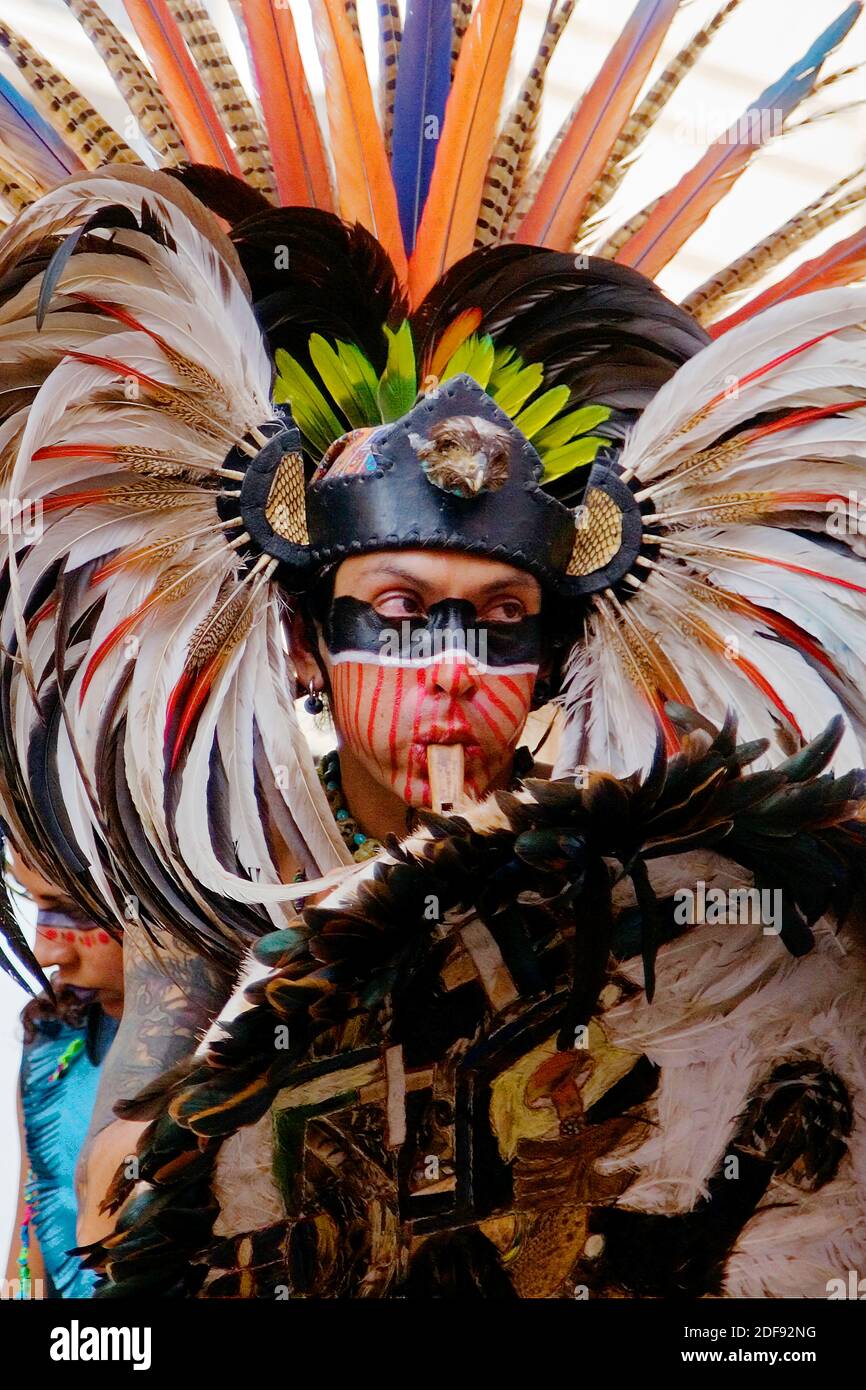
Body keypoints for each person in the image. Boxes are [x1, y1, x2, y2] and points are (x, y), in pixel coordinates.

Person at [0, 0, 863, 1298]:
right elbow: (122, 1188)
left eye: (502, 618)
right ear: (305, 644)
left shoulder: (635, 887)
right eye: (399, 612)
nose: (454, 663)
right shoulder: (219, 895)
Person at [3, 846, 122, 1299]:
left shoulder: (231, 1052)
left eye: (70, 910)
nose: (44, 950)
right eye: (34, 904)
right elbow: (31, 1219)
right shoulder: (54, 1039)